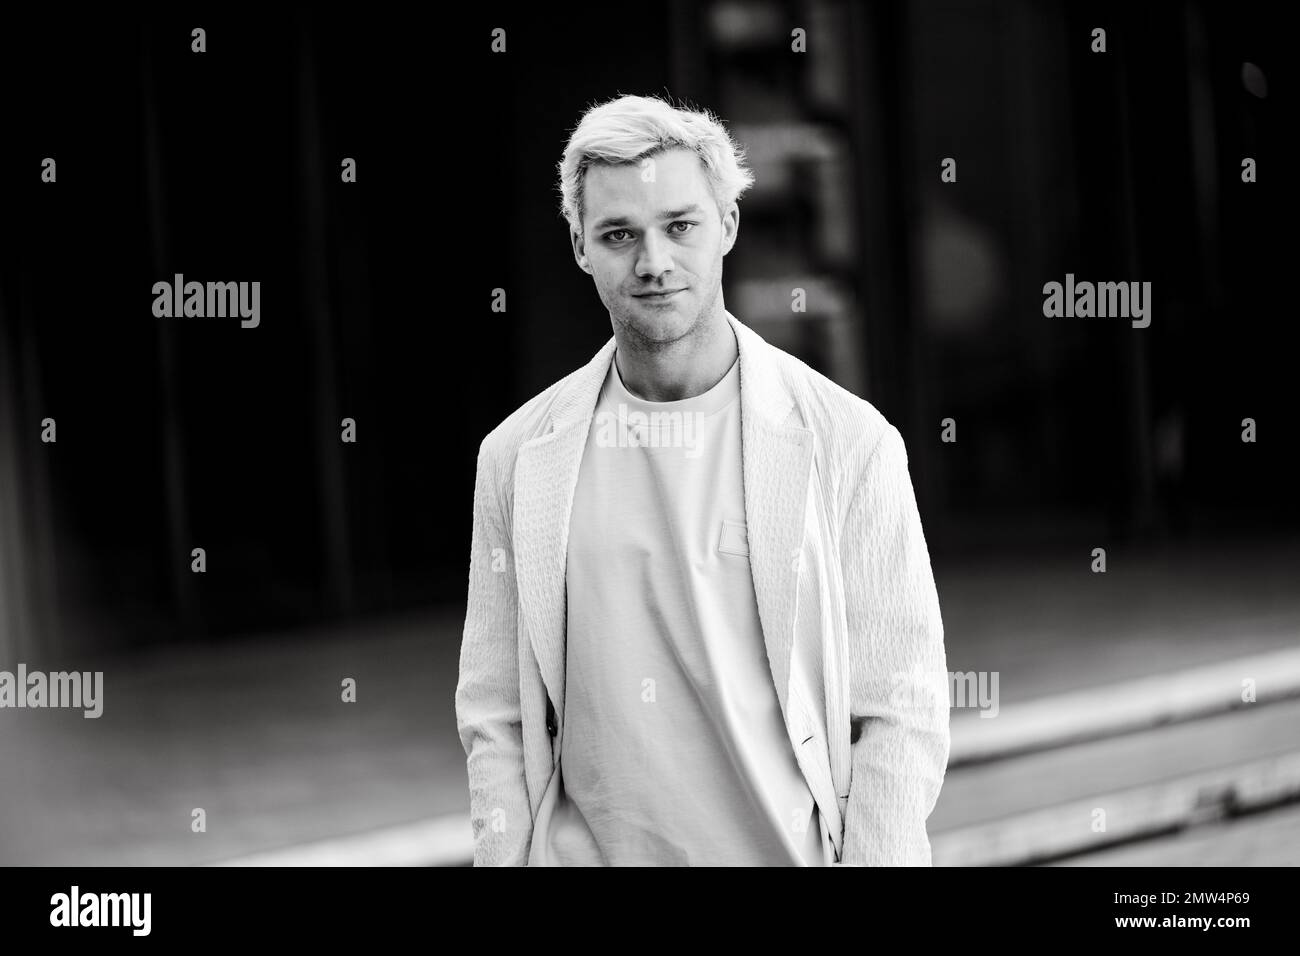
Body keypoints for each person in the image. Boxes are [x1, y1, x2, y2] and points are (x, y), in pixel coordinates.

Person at [456, 93, 950, 866]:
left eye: (679, 226)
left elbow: (900, 706)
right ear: (581, 247)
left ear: (726, 225)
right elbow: (494, 713)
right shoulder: (517, 457)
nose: (652, 262)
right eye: (619, 235)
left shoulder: (850, 443)